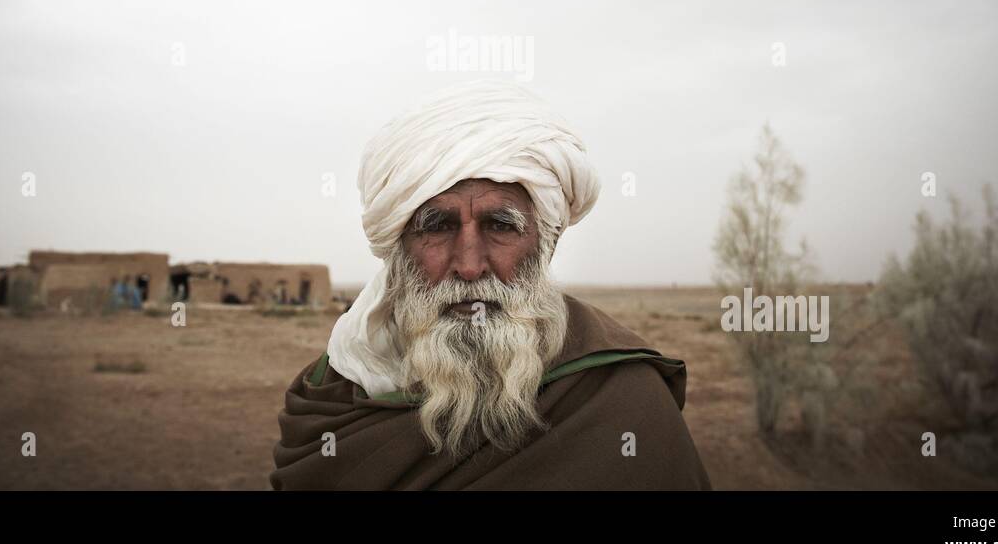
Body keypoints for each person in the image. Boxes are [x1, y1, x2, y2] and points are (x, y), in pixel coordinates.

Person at [270, 80, 712, 490]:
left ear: (545, 243)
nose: (468, 264)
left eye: (500, 225)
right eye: (437, 226)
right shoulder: (336, 389)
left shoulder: (622, 401)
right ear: (399, 251)